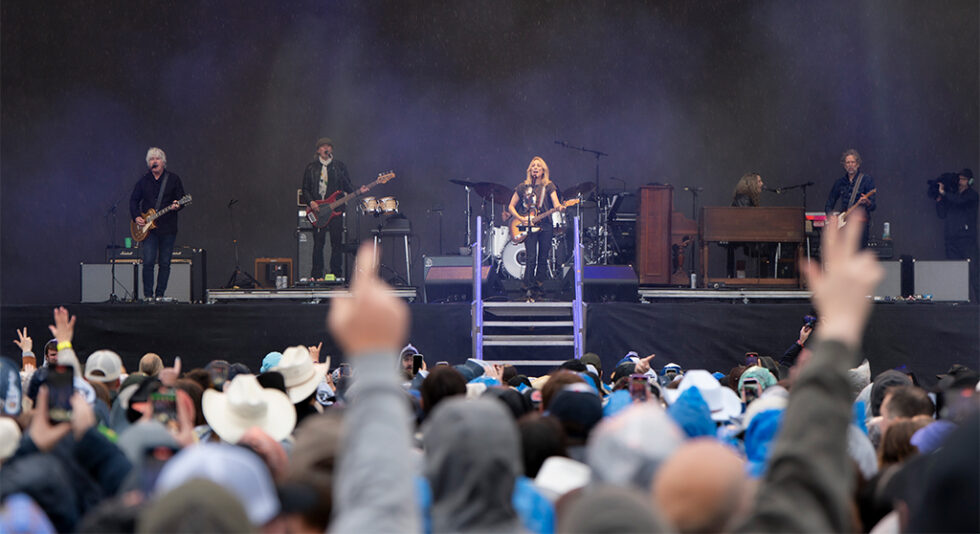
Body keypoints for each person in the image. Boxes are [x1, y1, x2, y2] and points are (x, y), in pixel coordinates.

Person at [301, 137, 362, 280]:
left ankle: (336, 274)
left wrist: (359, 190)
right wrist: (311, 202)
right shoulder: (311, 168)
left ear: (331, 150)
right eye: (322, 147)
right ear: (318, 150)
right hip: (318, 210)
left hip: (335, 210)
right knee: (318, 243)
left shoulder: (339, 167)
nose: (325, 149)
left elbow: (348, 186)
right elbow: (305, 188)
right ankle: (316, 275)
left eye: (328, 146)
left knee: (336, 242)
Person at [130, 147, 186, 300]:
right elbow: (133, 200)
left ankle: (159, 295)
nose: (154, 161)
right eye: (151, 159)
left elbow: (182, 199)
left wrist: (178, 204)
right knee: (148, 261)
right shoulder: (143, 181)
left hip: (168, 227)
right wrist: (136, 217)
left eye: (157, 159)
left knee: (165, 263)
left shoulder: (173, 179)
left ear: (163, 162)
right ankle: (148, 295)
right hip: (149, 230)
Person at [508, 156, 564, 301]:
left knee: (543, 257)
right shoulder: (522, 187)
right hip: (529, 226)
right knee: (531, 257)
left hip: (545, 225)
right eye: (533, 166)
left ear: (543, 170)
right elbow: (511, 206)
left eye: (538, 166)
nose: (535, 168)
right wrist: (520, 218)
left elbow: (556, 203)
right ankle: (526, 286)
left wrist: (559, 207)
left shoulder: (549, 186)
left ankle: (538, 286)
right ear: (529, 170)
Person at [935, 168, 978, 302]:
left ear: (970, 181)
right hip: (951, 239)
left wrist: (945, 193)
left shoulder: (972, 195)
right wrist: (940, 198)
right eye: (959, 178)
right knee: (955, 273)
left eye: (964, 179)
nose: (960, 182)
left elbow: (960, 201)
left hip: (966, 240)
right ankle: (957, 303)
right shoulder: (951, 196)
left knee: (974, 273)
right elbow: (941, 214)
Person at [824, 149, 876, 246]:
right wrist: (831, 217)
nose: (850, 165)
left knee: (859, 254)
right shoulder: (840, 182)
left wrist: (867, 201)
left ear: (858, 164)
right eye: (848, 163)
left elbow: (873, 205)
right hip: (844, 224)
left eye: (853, 162)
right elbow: (829, 202)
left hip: (860, 224)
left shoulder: (866, 180)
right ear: (844, 165)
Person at [728, 173, 765, 276]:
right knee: (771, 243)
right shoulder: (744, 198)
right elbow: (747, 220)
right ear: (752, 184)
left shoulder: (744, 197)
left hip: (744, 233)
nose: (762, 184)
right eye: (759, 181)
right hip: (742, 235)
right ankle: (767, 276)